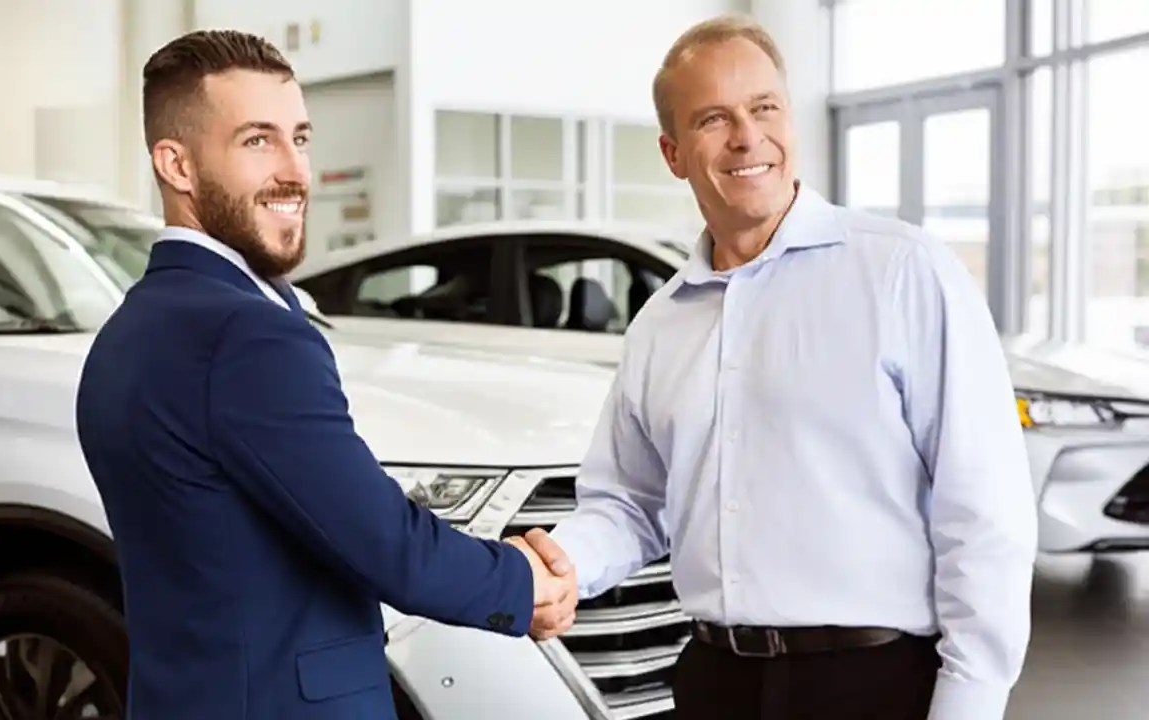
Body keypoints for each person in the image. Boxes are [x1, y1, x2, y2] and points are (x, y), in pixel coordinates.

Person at [522, 13, 1037, 720]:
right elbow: (629, 505)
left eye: (764, 108)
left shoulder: (903, 273)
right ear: (673, 153)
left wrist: (969, 704)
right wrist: (557, 566)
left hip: (875, 685)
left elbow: (983, 512)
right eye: (714, 119)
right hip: (714, 684)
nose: (747, 137)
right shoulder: (660, 325)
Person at [74, 29, 575, 720]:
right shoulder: (246, 333)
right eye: (258, 140)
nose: (295, 171)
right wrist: (522, 583)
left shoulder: (127, 333)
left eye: (300, 138)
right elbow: (381, 541)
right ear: (177, 164)